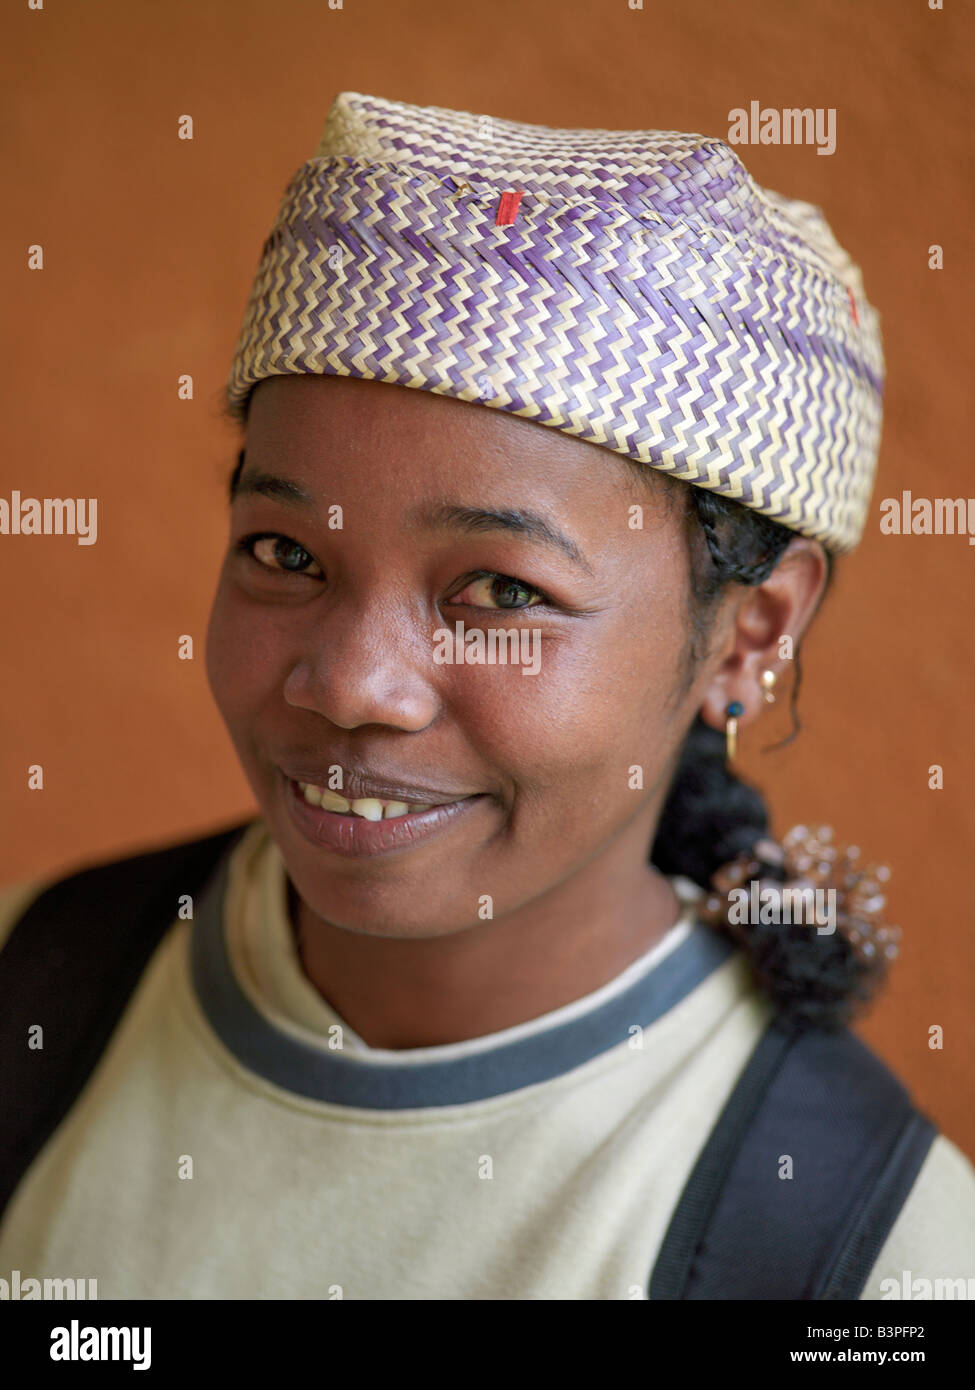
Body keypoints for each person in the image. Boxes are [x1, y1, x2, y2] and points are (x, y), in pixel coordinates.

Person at [1, 90, 973, 1301]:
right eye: (287, 554)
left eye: (502, 592)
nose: (352, 685)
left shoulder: (858, 1256)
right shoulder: (39, 982)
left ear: (748, 634)